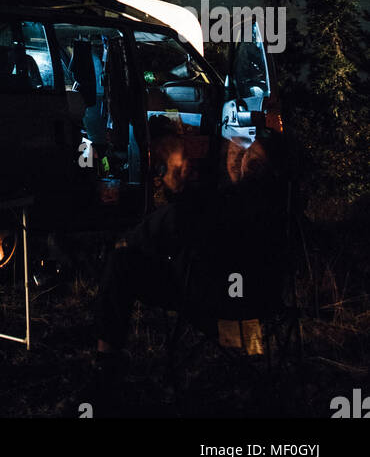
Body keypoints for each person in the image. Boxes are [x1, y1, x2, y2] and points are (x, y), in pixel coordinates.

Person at [94, 131, 289, 361]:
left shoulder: (234, 202)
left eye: (247, 155)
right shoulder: (284, 210)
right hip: (262, 304)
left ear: (254, 166)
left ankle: (105, 367)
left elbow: (176, 221)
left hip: (211, 302)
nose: (238, 157)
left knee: (121, 262)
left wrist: (175, 191)